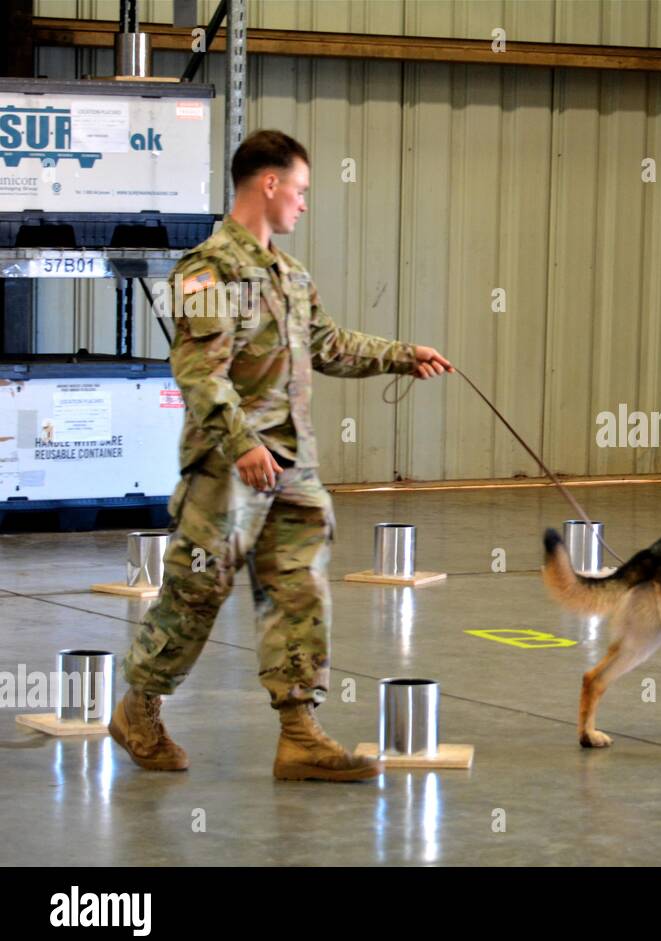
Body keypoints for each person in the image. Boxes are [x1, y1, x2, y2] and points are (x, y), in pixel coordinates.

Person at [110, 130, 453, 781]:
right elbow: (199, 374)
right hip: (227, 472)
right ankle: (138, 709)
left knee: (300, 594)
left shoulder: (290, 276)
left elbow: (328, 343)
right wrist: (241, 445)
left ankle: (298, 731)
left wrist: (404, 356)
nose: (302, 204)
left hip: (293, 473)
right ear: (268, 184)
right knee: (194, 596)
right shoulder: (205, 272)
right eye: (298, 190)